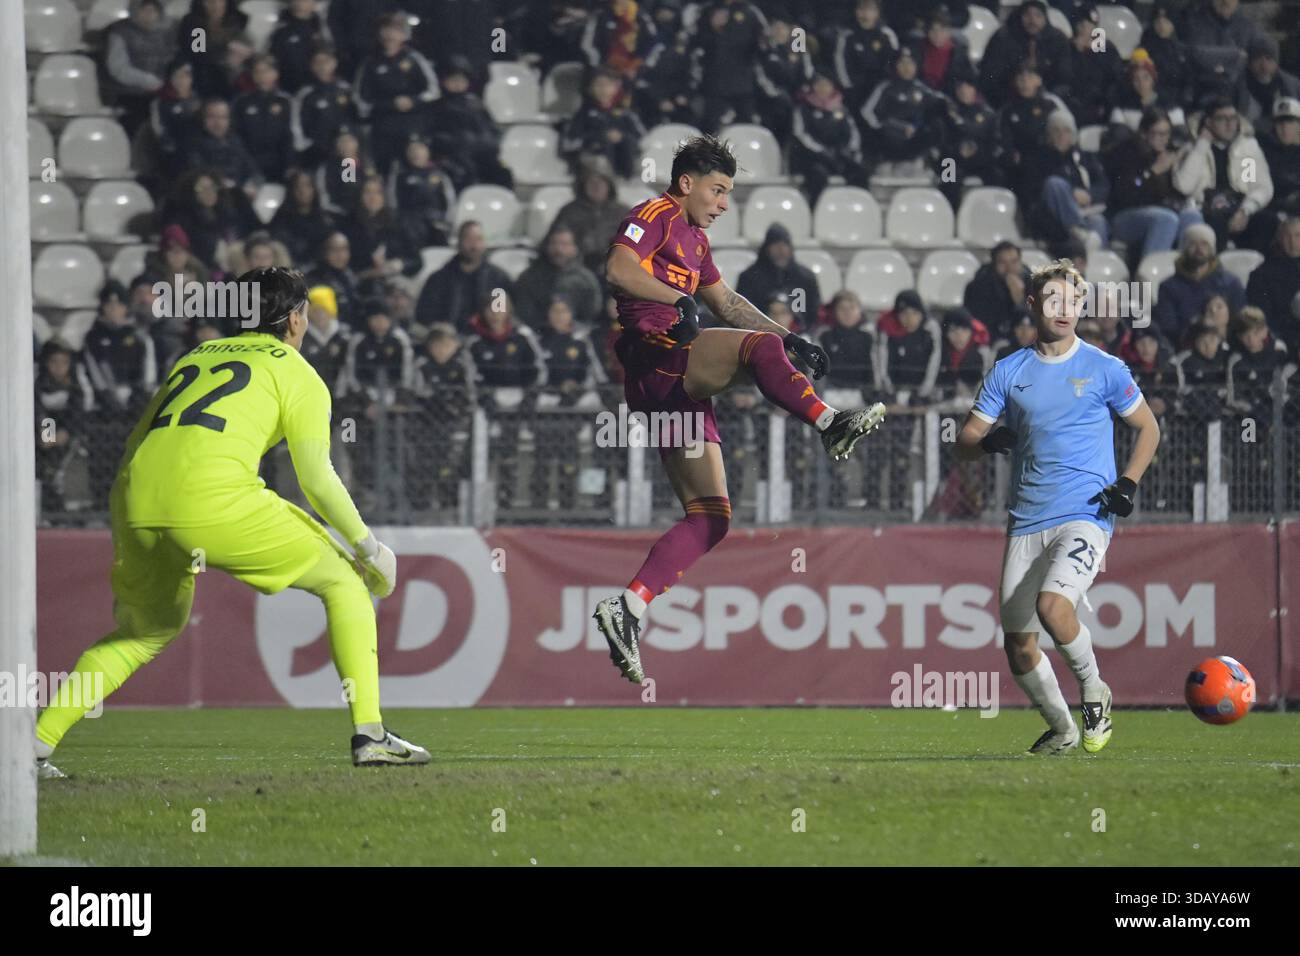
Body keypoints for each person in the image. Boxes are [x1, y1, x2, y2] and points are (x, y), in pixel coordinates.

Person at [33, 268, 429, 777]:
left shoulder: (195, 356)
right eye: (305, 314)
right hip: (212, 501)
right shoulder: (298, 372)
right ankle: (370, 736)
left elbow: (135, 442)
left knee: (144, 632)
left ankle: (34, 746)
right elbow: (316, 478)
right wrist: (368, 547)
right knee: (346, 582)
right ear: (294, 319)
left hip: (135, 498)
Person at [591, 135, 886, 683]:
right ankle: (829, 422)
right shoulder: (654, 214)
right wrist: (678, 300)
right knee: (756, 350)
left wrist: (790, 338)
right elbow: (618, 269)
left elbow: (725, 302)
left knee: (710, 517)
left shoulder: (696, 241)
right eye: (718, 190)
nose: (724, 203)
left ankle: (627, 608)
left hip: (670, 390)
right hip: (659, 358)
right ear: (687, 183)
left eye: (728, 192)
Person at [956, 259, 1161, 755]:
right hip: (1027, 518)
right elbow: (965, 442)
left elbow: (1148, 428)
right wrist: (987, 442)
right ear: (1033, 305)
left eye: (1072, 301)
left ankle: (1094, 689)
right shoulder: (1009, 371)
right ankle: (1063, 728)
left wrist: (1128, 483)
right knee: (1019, 645)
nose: (1063, 309)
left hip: (1086, 513)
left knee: (1053, 606)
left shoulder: (1105, 368)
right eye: (1053, 300)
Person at [1103, 107, 1203, 264]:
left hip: (1161, 210)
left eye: (1167, 134)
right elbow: (1125, 195)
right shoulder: (1125, 152)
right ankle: (1150, 274)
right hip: (1124, 216)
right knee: (1166, 219)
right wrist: (1153, 172)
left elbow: (1177, 192)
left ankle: (1188, 271)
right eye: (1158, 134)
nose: (1164, 139)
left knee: (1192, 216)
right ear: (1144, 133)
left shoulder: (1168, 152)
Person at [1173, 98, 1274, 251]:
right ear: (1209, 122)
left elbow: (1257, 186)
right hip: (1206, 209)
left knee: (1267, 221)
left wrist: (1245, 210)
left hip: (1239, 207)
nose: (1229, 124)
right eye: (1222, 119)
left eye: (1233, 118)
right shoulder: (1193, 149)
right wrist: (1202, 144)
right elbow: (1185, 186)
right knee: (1216, 222)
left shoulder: (1246, 149)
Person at [415, 221, 514, 333]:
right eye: (469, 240)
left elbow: (504, 316)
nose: (474, 245)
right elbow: (425, 315)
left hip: (486, 338)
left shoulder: (498, 279)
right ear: (459, 243)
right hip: (449, 338)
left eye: (479, 239)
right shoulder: (439, 279)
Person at [736, 223, 822, 332]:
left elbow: (814, 317)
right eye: (775, 245)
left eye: (785, 244)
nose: (781, 250)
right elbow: (742, 316)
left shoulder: (806, 278)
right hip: (759, 336)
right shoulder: (749, 278)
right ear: (767, 248)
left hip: (800, 337)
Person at [1246, 215, 1300, 349]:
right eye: (1287, 236)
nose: (1292, 241)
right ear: (1279, 238)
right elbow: (1264, 319)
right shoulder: (1261, 275)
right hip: (1285, 341)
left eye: (1298, 235)